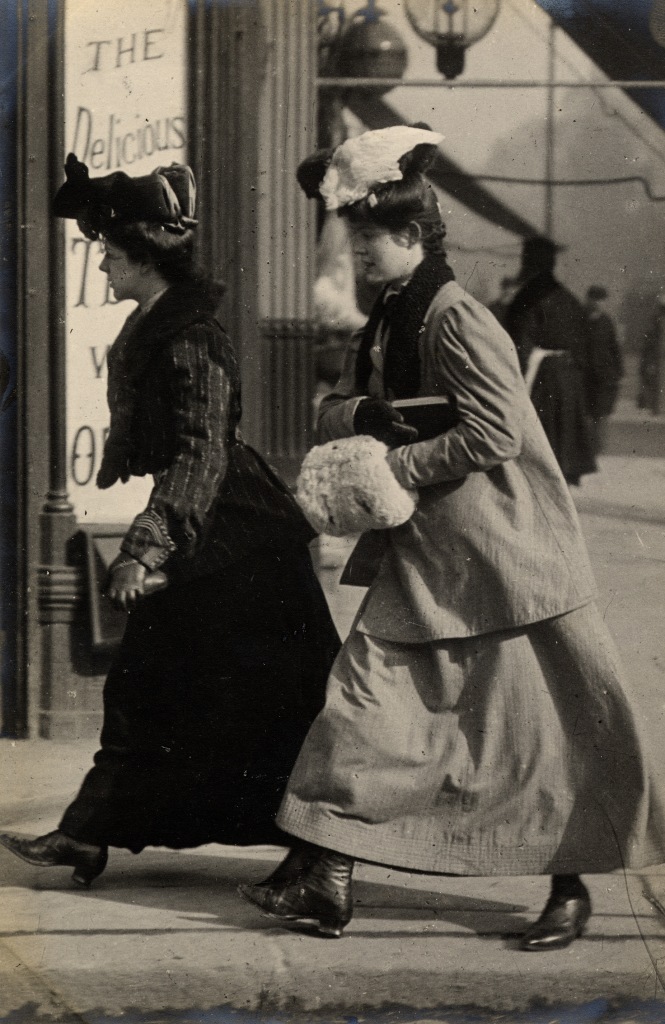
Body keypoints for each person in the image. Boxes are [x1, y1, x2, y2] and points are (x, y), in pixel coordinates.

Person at [237, 125, 665, 949]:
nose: (357, 254)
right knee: (361, 701)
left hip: (506, 559)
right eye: (353, 238)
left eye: (368, 239)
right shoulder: (392, 316)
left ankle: (569, 888)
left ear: (410, 236)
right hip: (428, 555)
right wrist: (362, 416)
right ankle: (328, 876)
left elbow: (496, 435)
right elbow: (332, 403)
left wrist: (399, 463)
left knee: (544, 737)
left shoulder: (458, 318)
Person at [0, 154, 340, 886]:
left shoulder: (191, 337)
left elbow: (202, 451)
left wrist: (143, 549)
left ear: (148, 260)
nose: (104, 270)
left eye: (112, 256)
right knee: (147, 685)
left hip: (244, 542)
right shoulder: (161, 323)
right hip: (212, 529)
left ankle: (321, 851)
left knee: (278, 700)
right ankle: (87, 834)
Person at [505, 237, 596, 486]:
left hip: (541, 375)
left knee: (539, 441)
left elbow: (518, 342)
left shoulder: (528, 296)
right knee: (562, 435)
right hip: (568, 376)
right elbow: (583, 344)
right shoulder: (568, 296)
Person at [583, 285, 623, 454]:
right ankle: (587, 447)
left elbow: (614, 347)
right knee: (586, 413)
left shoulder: (607, 321)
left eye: (601, 300)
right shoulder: (580, 320)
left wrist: (618, 371)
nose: (598, 303)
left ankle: (598, 448)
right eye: (595, 299)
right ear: (588, 300)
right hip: (585, 374)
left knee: (602, 411)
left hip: (605, 376)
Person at [638, 290, 665, 416]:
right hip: (656, 357)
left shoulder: (655, 322)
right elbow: (649, 343)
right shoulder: (655, 323)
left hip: (657, 357)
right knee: (655, 382)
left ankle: (656, 407)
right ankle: (655, 407)